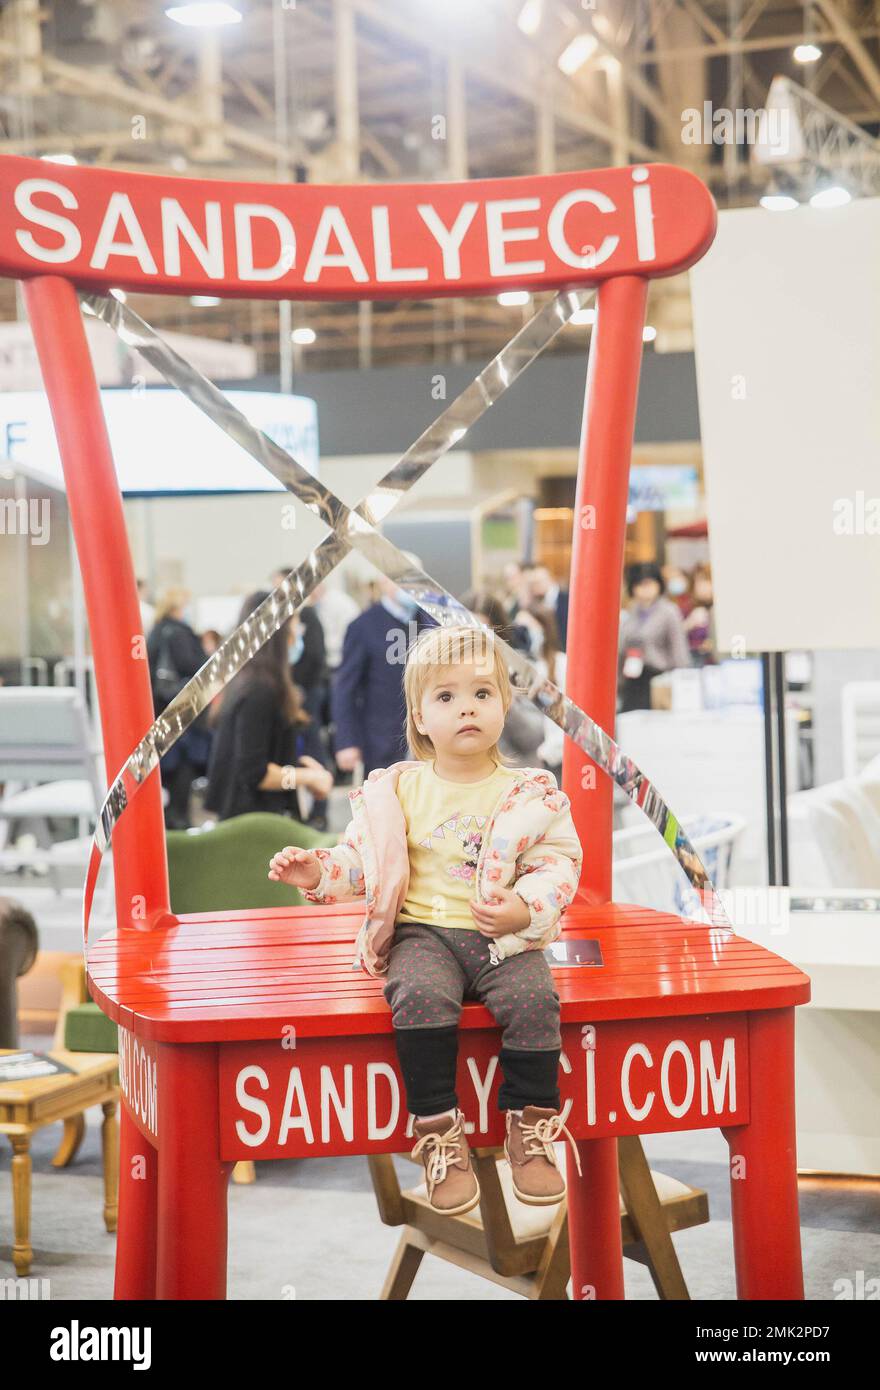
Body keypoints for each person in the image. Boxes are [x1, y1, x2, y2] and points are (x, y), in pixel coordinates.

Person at [268, 623, 584, 1215]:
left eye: (482, 694)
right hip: (423, 934)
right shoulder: (397, 792)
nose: (466, 707)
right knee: (417, 995)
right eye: (446, 697)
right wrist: (317, 873)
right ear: (419, 717)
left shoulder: (531, 792)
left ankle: (531, 1127)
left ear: (505, 705)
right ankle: (439, 1130)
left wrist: (526, 907)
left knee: (536, 1001)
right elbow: (360, 861)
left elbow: (557, 863)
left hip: (503, 941)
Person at [204, 591, 333, 822]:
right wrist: (306, 777)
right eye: (295, 623)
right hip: (253, 824)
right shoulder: (259, 691)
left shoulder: (249, 681)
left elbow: (260, 749)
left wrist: (300, 766)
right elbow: (256, 773)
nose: (299, 631)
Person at [331, 563, 436, 776]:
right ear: (384, 582)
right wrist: (347, 740)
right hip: (382, 740)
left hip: (431, 737)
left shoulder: (430, 622)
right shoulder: (363, 626)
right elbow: (345, 687)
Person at [146, 587, 213, 830]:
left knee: (170, 768)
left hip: (161, 711)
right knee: (184, 767)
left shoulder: (155, 632)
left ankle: (171, 818)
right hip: (182, 713)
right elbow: (192, 666)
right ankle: (178, 819)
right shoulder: (179, 633)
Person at [618, 562, 691, 713]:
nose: (645, 589)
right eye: (640, 584)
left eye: (649, 583)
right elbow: (621, 650)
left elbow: (679, 650)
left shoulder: (669, 612)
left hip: (659, 679)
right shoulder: (630, 613)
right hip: (633, 680)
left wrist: (683, 682)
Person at [522, 562, 569, 651]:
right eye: (532, 584)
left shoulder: (567, 599)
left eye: (537, 583)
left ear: (549, 579)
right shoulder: (534, 602)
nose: (534, 587)